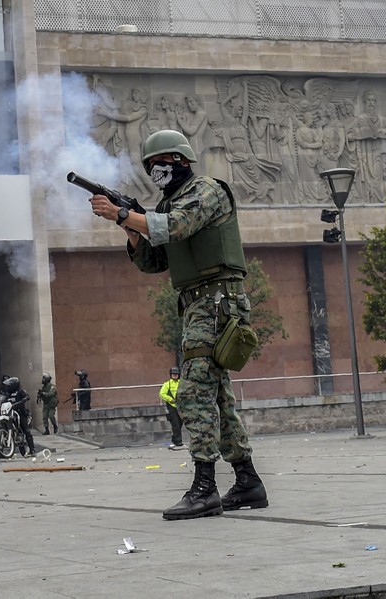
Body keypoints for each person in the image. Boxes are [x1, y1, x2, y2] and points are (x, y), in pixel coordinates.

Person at [88, 128, 268, 521]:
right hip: (198, 304)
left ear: (180, 160)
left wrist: (125, 214)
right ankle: (248, 481)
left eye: (160, 163)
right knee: (216, 396)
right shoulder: (168, 205)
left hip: (217, 301)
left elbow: (176, 227)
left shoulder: (206, 191)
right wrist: (129, 230)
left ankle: (205, 488)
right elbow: (156, 262)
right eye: (150, 166)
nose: (156, 170)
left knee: (191, 393)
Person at [1, 377, 35, 457]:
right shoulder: (7, 394)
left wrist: (23, 400)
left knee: (26, 431)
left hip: (20, 413)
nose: (8, 387)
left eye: (9, 385)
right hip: (10, 414)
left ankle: (32, 449)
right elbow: (4, 401)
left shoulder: (20, 392)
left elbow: (27, 397)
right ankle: (1, 450)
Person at [159, 367, 185, 450]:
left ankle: (175, 439)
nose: (175, 375)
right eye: (173, 374)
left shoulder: (181, 383)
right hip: (172, 406)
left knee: (180, 423)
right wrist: (170, 399)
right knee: (175, 424)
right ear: (170, 375)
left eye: (176, 374)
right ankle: (178, 441)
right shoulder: (167, 384)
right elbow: (161, 393)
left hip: (180, 406)